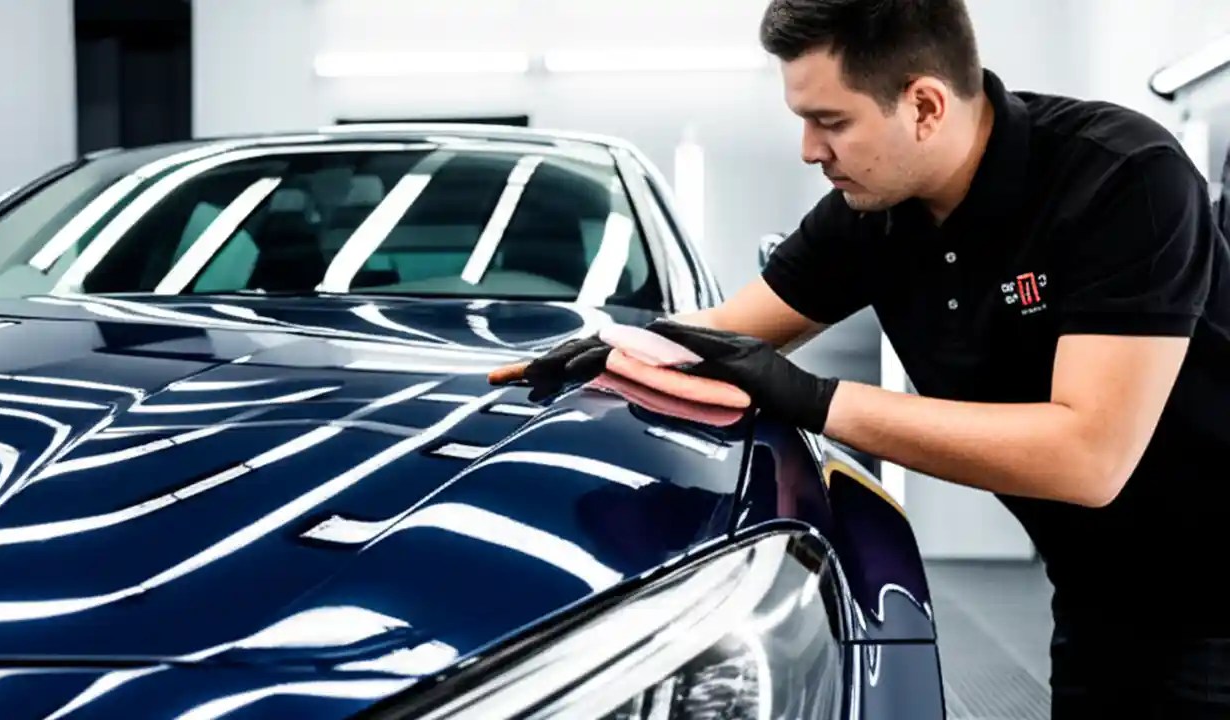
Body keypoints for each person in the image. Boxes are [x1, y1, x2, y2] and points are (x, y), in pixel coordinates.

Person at [492, 0, 1230, 715]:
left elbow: (1088, 458)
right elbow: (726, 331)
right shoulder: (873, 213)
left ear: (926, 107)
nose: (811, 150)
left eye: (831, 122)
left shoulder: (1123, 178)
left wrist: (814, 400)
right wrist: (614, 349)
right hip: (1098, 585)